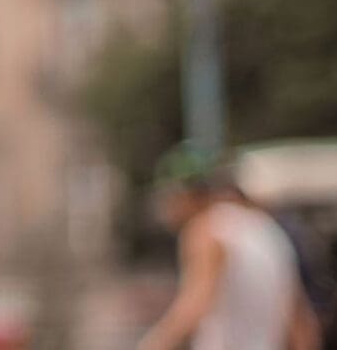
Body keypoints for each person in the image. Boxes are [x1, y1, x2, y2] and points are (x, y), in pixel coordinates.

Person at [138, 146, 322, 350]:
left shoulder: (206, 231)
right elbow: (300, 319)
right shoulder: (266, 229)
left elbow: (195, 304)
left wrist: (153, 344)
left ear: (184, 194)